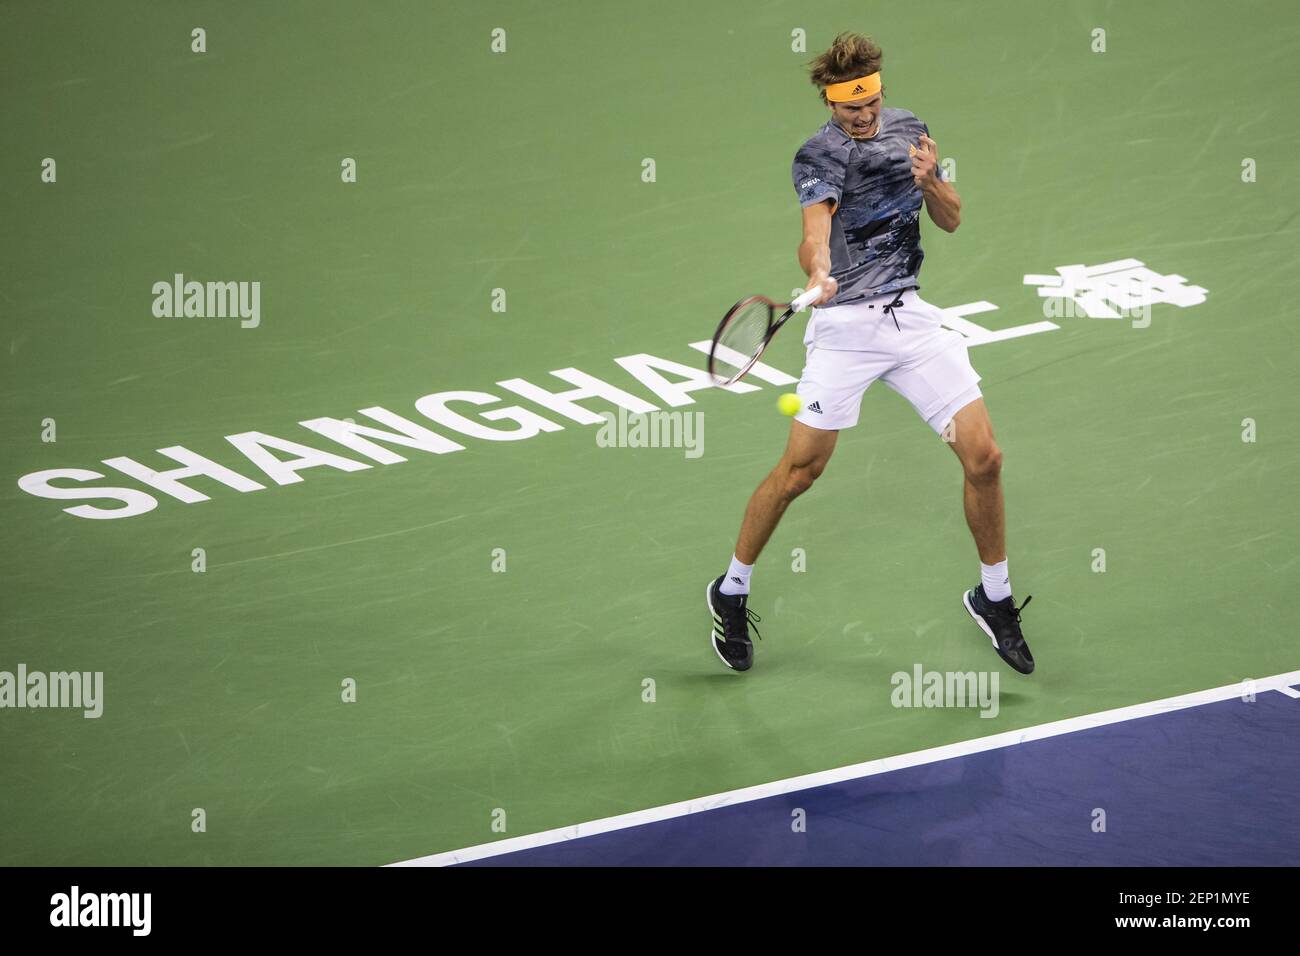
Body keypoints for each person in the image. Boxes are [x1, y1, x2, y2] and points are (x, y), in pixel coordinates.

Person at [706, 32, 1034, 675]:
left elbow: (952, 219)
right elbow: (813, 233)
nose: (866, 116)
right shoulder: (817, 155)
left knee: (985, 457)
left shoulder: (910, 129)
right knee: (801, 472)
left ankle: (992, 598)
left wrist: (932, 180)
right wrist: (820, 268)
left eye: (873, 103)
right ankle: (732, 588)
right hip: (844, 330)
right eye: (853, 109)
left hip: (909, 318)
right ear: (832, 104)